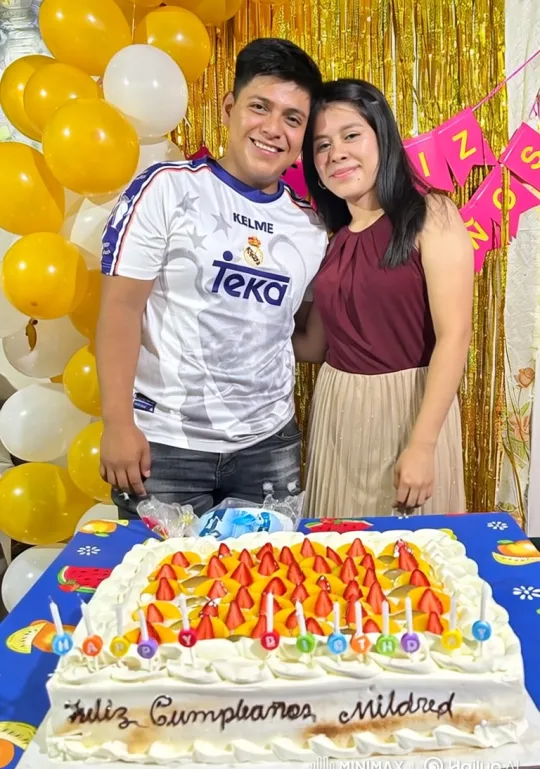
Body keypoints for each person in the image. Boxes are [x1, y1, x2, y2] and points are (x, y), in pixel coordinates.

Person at [96, 38, 328, 520]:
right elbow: (120, 308)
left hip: (269, 446)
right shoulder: (167, 188)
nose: (272, 129)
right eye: (259, 107)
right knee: (166, 591)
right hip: (165, 447)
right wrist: (118, 423)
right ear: (229, 108)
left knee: (267, 590)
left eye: (292, 119)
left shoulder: (311, 227)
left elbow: (298, 336)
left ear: (304, 136)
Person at [294, 79, 474, 518]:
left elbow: (455, 335)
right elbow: (314, 347)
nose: (336, 153)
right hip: (337, 414)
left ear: (383, 137)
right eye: (321, 145)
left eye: (351, 135)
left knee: (411, 569)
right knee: (338, 567)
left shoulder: (432, 214)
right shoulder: (332, 241)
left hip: (409, 410)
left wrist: (424, 444)